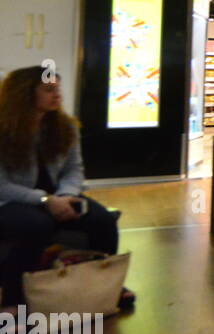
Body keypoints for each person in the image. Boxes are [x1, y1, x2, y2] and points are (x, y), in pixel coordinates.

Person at [0, 66, 132, 309]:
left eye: (57, 89)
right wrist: (44, 200)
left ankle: (104, 285)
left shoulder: (65, 127)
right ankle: (14, 299)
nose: (57, 95)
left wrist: (66, 196)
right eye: (49, 90)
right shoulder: (4, 131)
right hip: (12, 201)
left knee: (102, 220)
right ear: (25, 94)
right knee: (36, 225)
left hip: (59, 196)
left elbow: (74, 168)